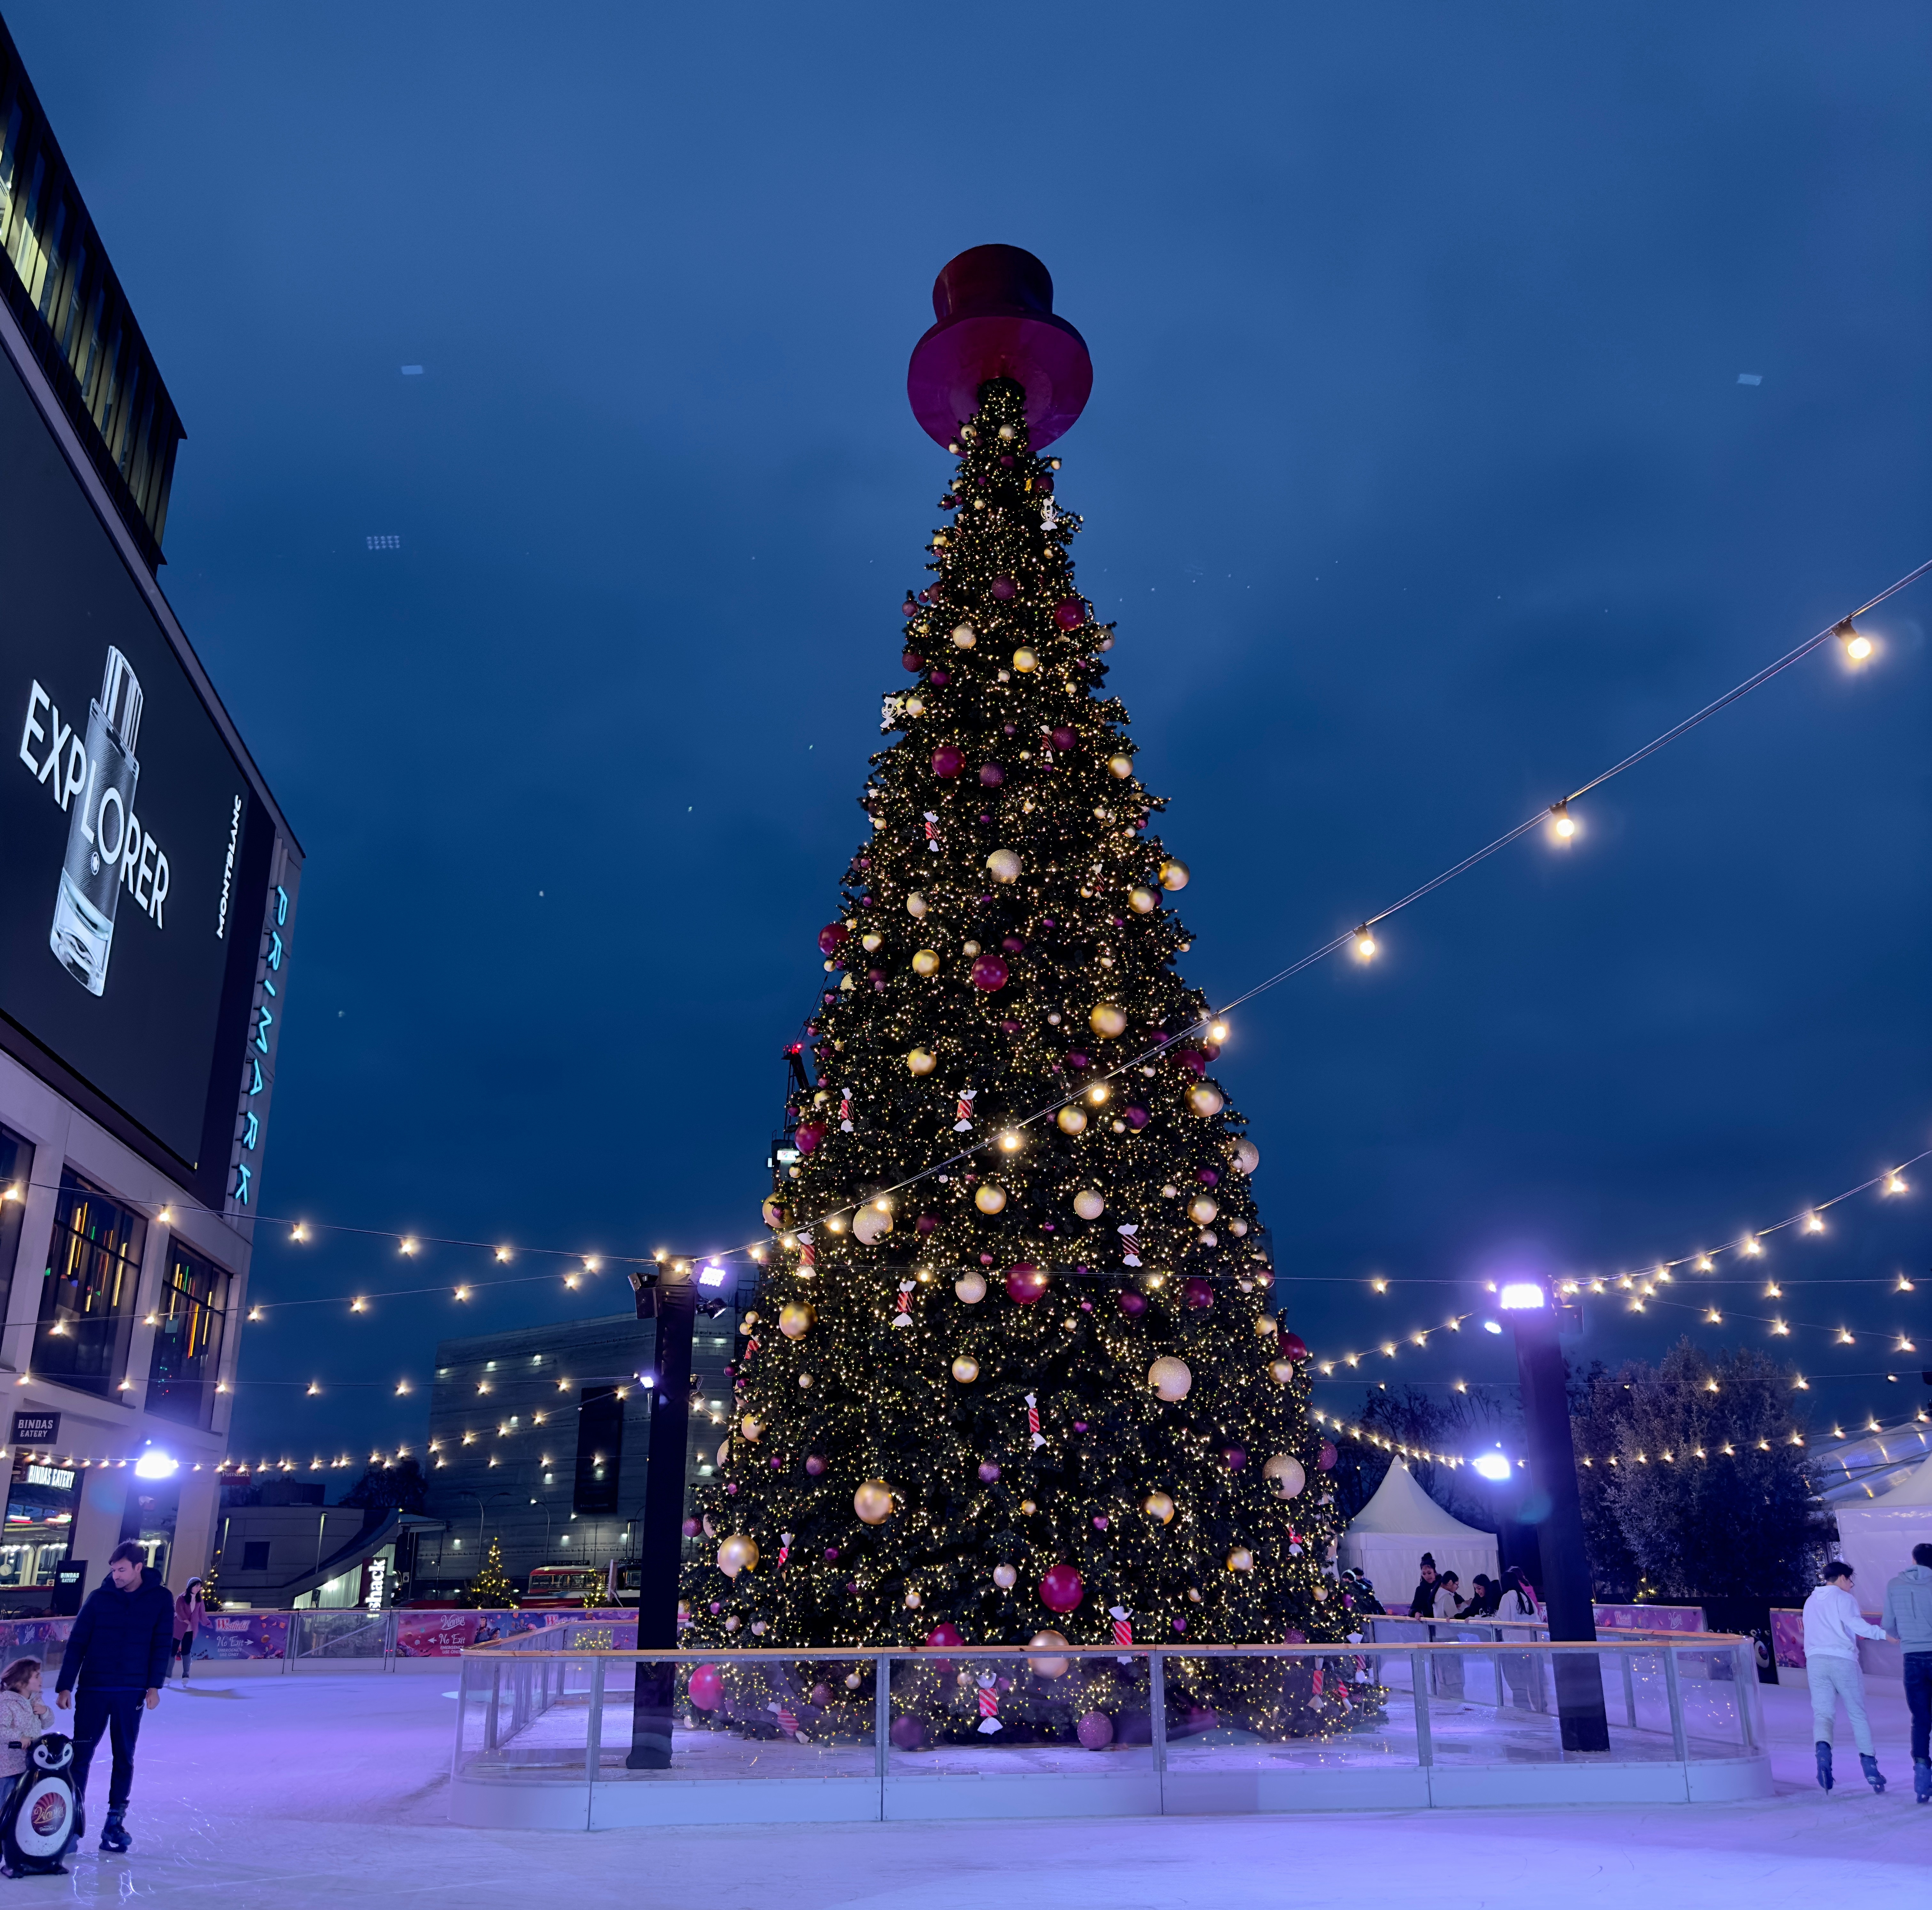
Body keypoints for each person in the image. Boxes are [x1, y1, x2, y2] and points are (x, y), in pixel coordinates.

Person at [54, 1541, 172, 1853]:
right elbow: (77, 1642)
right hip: (93, 1689)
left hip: (131, 1691)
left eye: (122, 1569)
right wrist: (65, 1685)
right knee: (80, 1757)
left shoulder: (160, 1599)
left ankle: (114, 1822)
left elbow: (161, 1644)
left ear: (138, 1567)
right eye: (113, 1569)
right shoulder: (99, 1598)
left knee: (124, 1756)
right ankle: (71, 1826)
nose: (116, 1575)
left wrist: (154, 1685)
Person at [1802, 1559, 1888, 1793]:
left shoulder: (1810, 1601)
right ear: (1841, 1578)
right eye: (1850, 1580)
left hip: (1816, 1662)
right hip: (1842, 1660)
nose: (1851, 1585)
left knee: (1823, 1714)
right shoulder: (1844, 1598)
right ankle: (1871, 1770)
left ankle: (1823, 1759)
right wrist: (1884, 1634)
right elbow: (1856, 1625)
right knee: (1857, 1714)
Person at [1881, 1540, 1932, 1805]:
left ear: (1914, 1560)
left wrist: (1906, 1636)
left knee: (1921, 1718)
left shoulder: (1894, 1585)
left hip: (1912, 1657)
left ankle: (1922, 1776)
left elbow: (1889, 1624)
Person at [0, 1657, 51, 1816]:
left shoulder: (36, 1700)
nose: (41, 1679)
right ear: (21, 1684)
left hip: (30, 1765)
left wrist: (46, 1712)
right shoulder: (7, 1704)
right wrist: (19, 1737)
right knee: (6, 1809)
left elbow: (48, 1724)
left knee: (24, 1808)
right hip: (8, 1769)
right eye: (36, 1676)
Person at [1495, 1564, 1543, 1711]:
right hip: (1531, 1648)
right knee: (1532, 1683)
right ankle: (1540, 1710)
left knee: (1518, 1686)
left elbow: (1500, 1622)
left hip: (1515, 1649)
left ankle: (1524, 1714)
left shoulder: (1507, 1597)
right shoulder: (1526, 1597)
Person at [1432, 1571, 1466, 1700]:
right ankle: (1456, 1695)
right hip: (1449, 1637)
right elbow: (1454, 1615)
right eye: (1457, 1585)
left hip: (1439, 1637)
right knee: (1454, 1669)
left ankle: (1446, 1692)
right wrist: (1464, 1607)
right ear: (1450, 1583)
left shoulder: (1436, 1594)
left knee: (1444, 1669)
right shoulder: (1447, 1596)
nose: (1457, 1588)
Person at [170, 1578, 205, 1687]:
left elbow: (201, 1613)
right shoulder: (181, 1598)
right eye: (196, 1586)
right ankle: (167, 1675)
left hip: (190, 1629)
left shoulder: (199, 1600)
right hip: (179, 1627)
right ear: (191, 1586)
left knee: (186, 1651)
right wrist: (186, 1620)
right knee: (173, 1651)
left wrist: (206, 1622)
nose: (198, 1588)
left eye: (199, 1586)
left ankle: (186, 1674)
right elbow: (179, 1611)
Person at [1407, 1554, 1438, 1620]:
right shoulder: (1421, 1590)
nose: (1427, 1576)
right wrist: (1416, 1613)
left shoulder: (1443, 1585)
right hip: (1428, 1624)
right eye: (1424, 1574)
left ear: (1434, 1572)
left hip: (1445, 1622)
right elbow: (1413, 1608)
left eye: (1429, 1573)